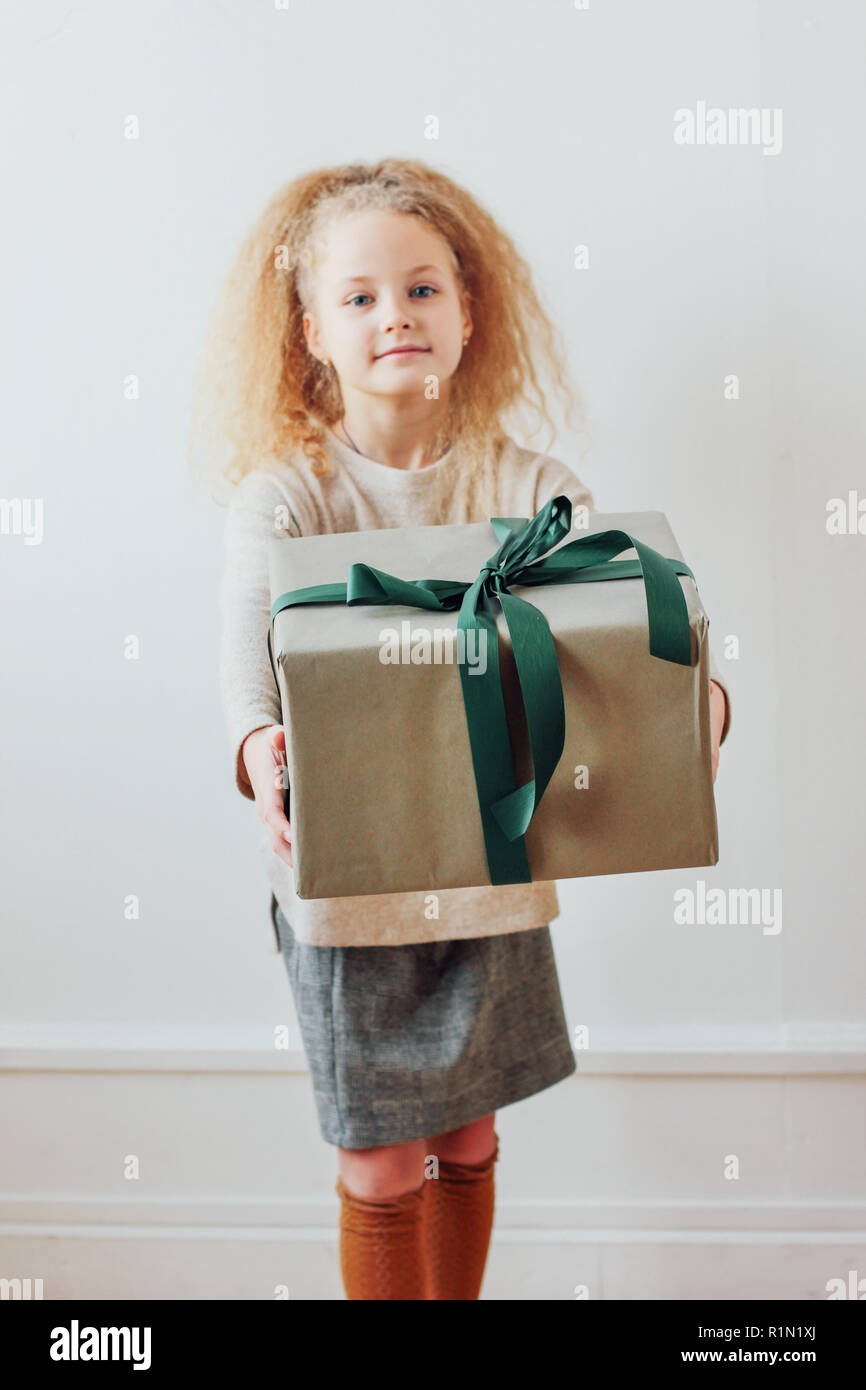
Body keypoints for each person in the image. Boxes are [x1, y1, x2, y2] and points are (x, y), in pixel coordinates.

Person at [193, 158, 732, 1300]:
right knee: (377, 1157)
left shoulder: (527, 482)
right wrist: (256, 750)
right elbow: (248, 669)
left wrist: (691, 699)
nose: (395, 314)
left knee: (467, 1140)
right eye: (360, 297)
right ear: (311, 334)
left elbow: (624, 620)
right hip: (348, 895)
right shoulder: (284, 497)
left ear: (466, 311)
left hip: (492, 872)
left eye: (423, 288)